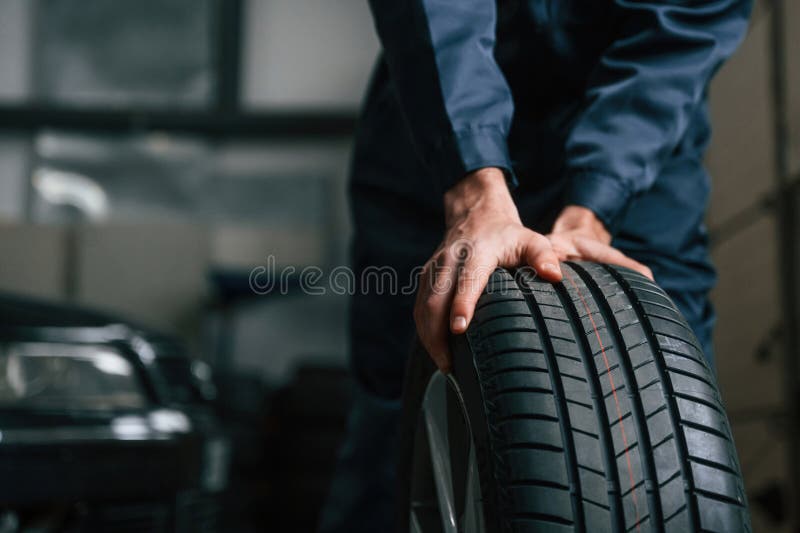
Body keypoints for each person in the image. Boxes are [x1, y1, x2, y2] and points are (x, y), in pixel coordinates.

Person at [318, 1, 752, 531]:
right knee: (396, 420)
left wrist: (596, 205)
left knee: (669, 419)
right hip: (440, 116)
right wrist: (474, 186)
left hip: (639, 144)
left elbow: (684, 24)